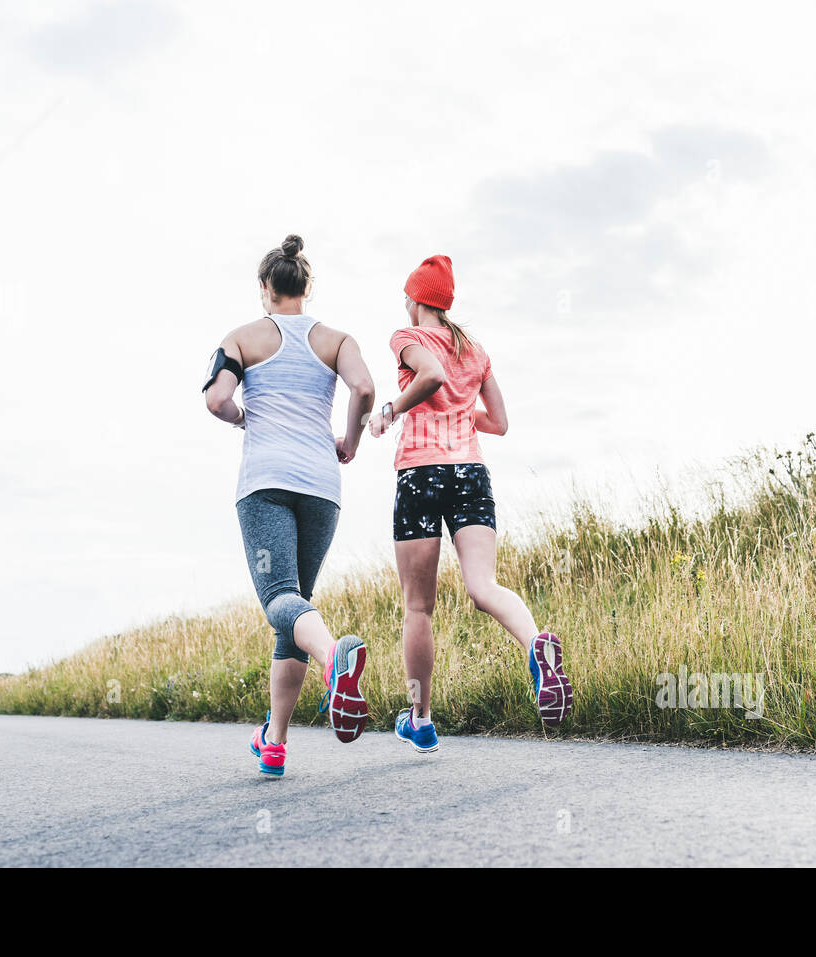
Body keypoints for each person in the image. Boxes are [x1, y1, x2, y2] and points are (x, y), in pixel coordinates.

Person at [369, 254, 574, 753]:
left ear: (417, 300)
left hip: (421, 471)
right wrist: (462, 414)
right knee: (483, 586)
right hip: (470, 473)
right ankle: (535, 646)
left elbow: (432, 375)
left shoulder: (407, 338)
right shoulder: (475, 349)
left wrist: (391, 410)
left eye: (407, 297)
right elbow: (499, 422)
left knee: (418, 607)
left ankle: (420, 718)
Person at [204, 234, 375, 776]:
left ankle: (334, 665)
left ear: (264, 289)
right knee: (295, 611)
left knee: (281, 598)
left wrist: (240, 417)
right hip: (322, 485)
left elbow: (216, 398)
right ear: (306, 286)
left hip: (266, 482)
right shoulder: (337, 339)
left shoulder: (242, 337)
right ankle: (273, 741)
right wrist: (348, 441)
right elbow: (365, 391)